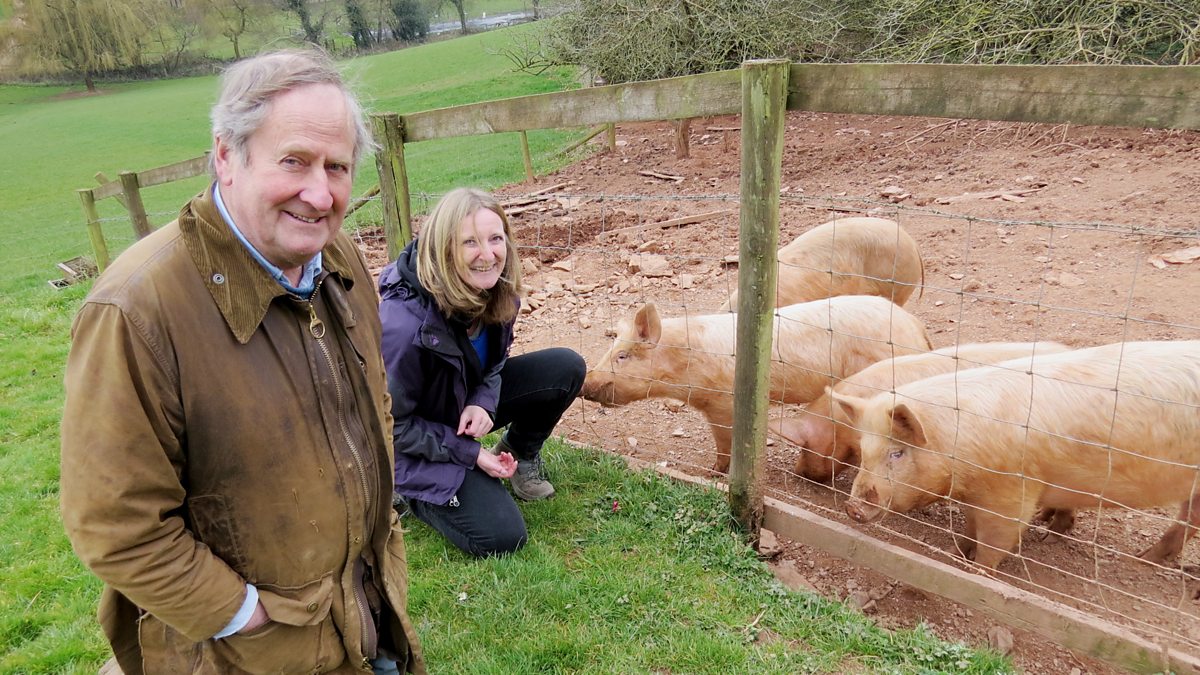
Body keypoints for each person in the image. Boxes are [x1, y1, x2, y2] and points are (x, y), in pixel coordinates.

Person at [59, 49, 425, 675]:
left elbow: (376, 402)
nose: (320, 192)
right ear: (226, 155)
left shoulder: (339, 261)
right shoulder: (136, 312)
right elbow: (117, 524)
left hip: (364, 612)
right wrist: (245, 614)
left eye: (338, 167)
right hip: (249, 653)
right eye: (294, 161)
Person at [379, 187, 586, 558]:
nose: (488, 255)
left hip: (460, 408)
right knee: (503, 537)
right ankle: (411, 494)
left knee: (564, 367)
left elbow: (495, 364)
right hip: (416, 443)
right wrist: (469, 454)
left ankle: (520, 453)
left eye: (495, 239)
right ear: (444, 249)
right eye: (470, 243)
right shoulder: (402, 326)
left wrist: (482, 401)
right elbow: (389, 426)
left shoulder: (498, 291)